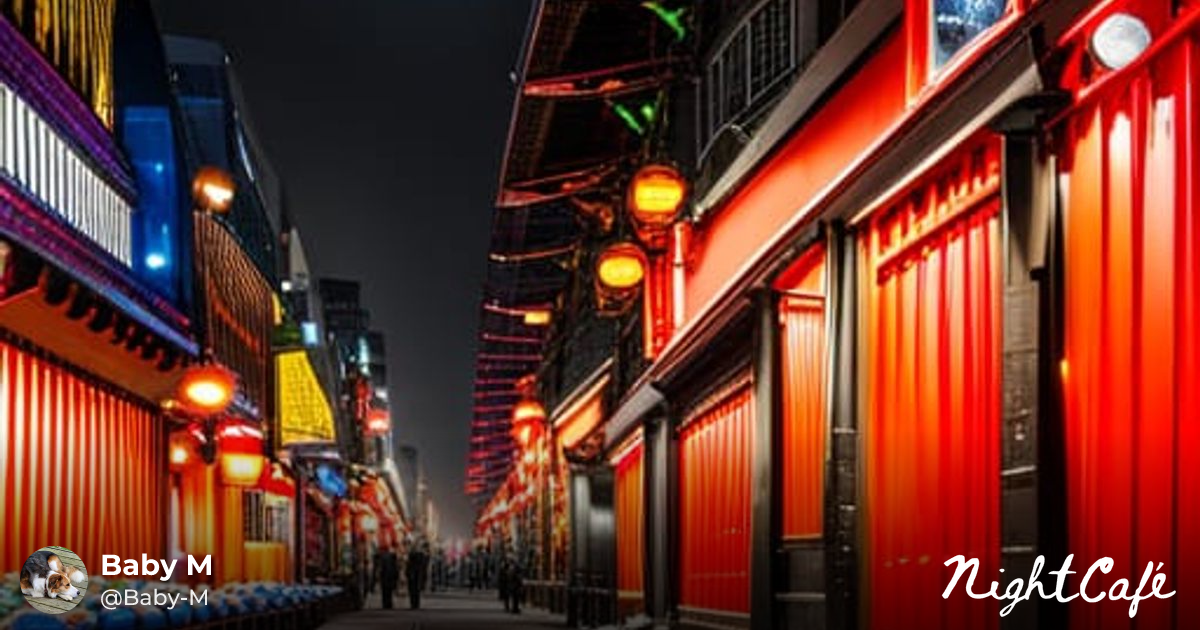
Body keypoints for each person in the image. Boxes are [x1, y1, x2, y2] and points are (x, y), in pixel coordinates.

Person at [405, 543, 430, 610]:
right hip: (417, 573)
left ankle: (413, 604)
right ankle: (416, 604)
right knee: (416, 589)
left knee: (412, 589)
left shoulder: (412, 555)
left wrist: (407, 573)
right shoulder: (422, 556)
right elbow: (423, 568)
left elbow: (409, 565)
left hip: (413, 573)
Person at [376, 544, 400, 609]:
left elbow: (381, 567)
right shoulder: (392, 556)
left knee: (385, 591)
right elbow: (395, 566)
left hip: (385, 575)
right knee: (389, 590)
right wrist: (396, 575)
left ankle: (385, 604)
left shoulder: (382, 556)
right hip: (390, 575)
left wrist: (379, 575)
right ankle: (389, 604)